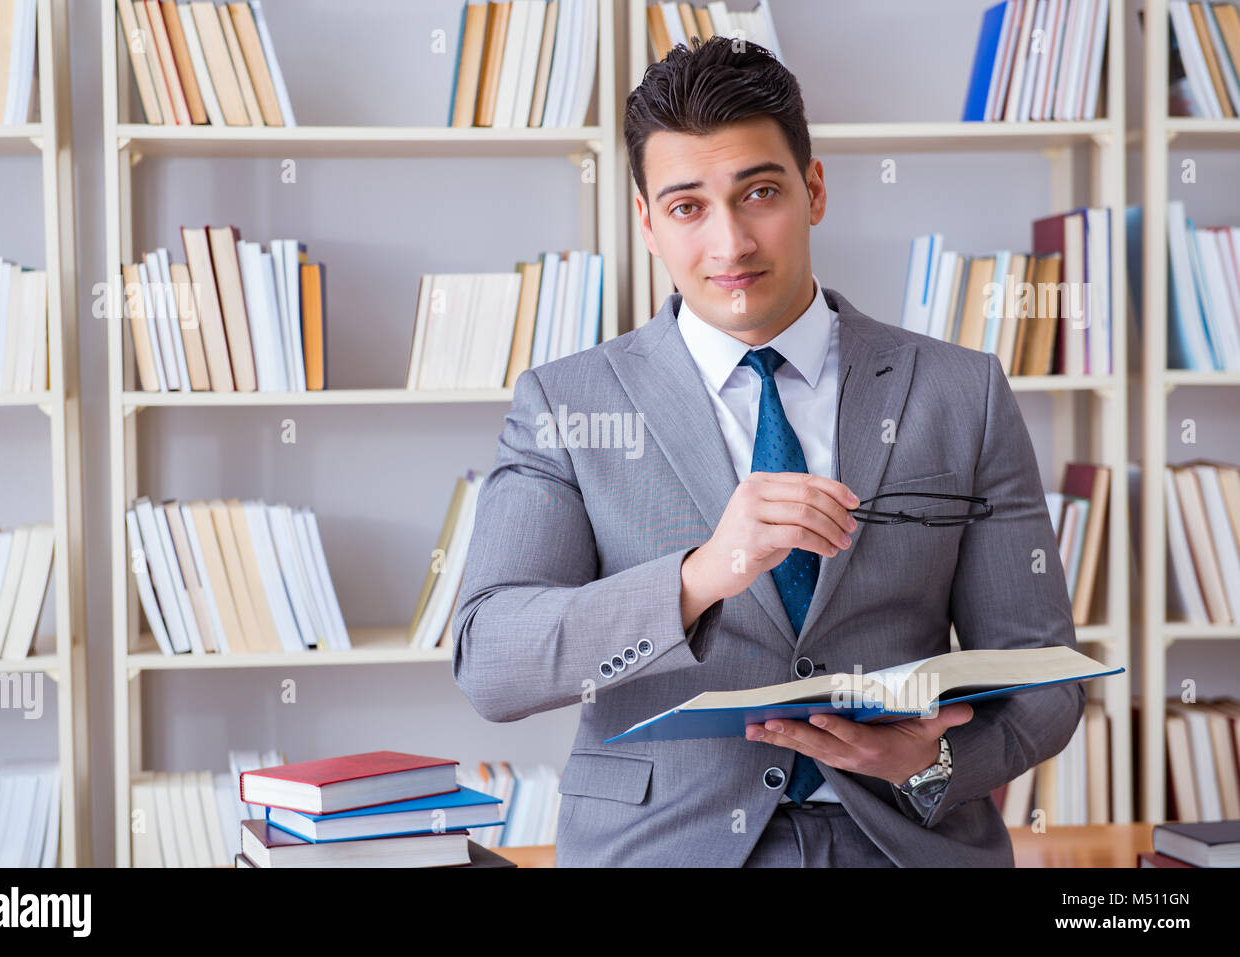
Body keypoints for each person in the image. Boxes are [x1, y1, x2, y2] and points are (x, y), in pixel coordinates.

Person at [452, 36, 1083, 867]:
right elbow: (492, 659)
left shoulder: (958, 391)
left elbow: (1047, 678)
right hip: (662, 848)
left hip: (904, 843)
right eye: (687, 207)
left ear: (813, 189)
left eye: (758, 193)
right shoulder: (567, 402)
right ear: (646, 220)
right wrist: (701, 574)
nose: (731, 245)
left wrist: (928, 761)